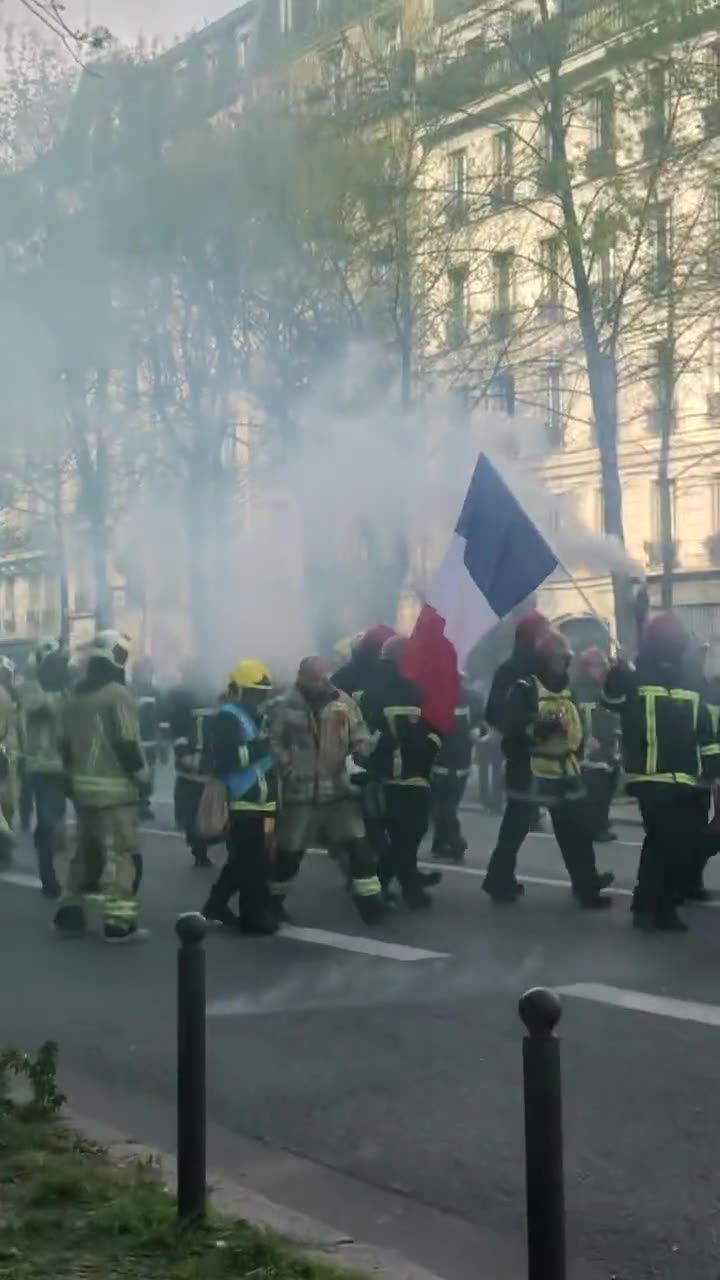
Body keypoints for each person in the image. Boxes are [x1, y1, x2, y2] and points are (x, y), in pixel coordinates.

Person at [604, 612, 720, 932]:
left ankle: (652, 904)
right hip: (649, 775)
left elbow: (705, 731)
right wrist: (616, 674)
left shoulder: (691, 680)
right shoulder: (635, 674)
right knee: (666, 840)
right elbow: (611, 701)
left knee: (669, 843)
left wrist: (713, 768)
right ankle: (657, 907)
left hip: (685, 776)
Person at [483, 629, 614, 908]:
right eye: (559, 659)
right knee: (514, 832)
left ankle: (587, 885)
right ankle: (499, 879)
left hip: (565, 771)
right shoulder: (525, 688)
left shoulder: (569, 690)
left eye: (566, 659)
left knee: (575, 833)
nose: (565, 664)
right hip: (531, 772)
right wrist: (541, 729)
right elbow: (513, 730)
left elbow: (578, 723)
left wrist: (579, 748)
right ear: (544, 660)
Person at [267, 656, 383, 925]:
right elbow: (272, 742)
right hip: (300, 795)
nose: (320, 683)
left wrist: (359, 756)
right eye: (314, 678)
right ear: (301, 677)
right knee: (289, 854)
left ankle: (372, 909)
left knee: (359, 851)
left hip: (340, 793)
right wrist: (288, 769)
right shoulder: (282, 705)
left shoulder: (342, 703)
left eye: (323, 677)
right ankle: (272, 905)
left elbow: (360, 735)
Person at [54, 631, 150, 943]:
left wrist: (71, 783)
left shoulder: (72, 696)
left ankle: (69, 908)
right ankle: (118, 922)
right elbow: (126, 741)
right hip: (115, 793)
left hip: (82, 791)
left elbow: (64, 747)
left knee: (86, 852)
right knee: (122, 854)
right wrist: (142, 777)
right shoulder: (116, 694)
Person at [364, 636, 443, 909]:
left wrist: (429, 745)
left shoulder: (401, 687)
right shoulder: (387, 690)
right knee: (407, 834)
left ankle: (409, 889)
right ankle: (376, 887)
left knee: (406, 835)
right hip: (397, 774)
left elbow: (433, 726)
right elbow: (369, 732)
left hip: (408, 772)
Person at [201, 659, 278, 935]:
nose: (259, 699)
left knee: (248, 860)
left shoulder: (253, 717)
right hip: (243, 802)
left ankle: (215, 906)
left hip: (264, 803)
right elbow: (226, 759)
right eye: (254, 693)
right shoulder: (226, 718)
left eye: (262, 693)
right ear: (236, 690)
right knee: (253, 863)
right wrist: (260, 747)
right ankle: (253, 916)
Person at [482, 612, 551, 902]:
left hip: (551, 754)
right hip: (527, 755)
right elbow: (494, 713)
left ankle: (587, 880)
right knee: (519, 817)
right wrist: (527, 727)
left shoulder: (548, 668)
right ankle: (499, 877)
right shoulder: (514, 671)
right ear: (534, 637)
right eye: (545, 633)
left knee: (530, 817)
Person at [22, 646, 70, 898]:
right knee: (48, 823)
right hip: (43, 767)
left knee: (59, 823)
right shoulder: (33, 690)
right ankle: (48, 876)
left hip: (64, 767)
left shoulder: (64, 692)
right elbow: (39, 706)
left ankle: (57, 871)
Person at [166, 660, 217, 868]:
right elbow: (176, 729)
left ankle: (203, 844)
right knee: (191, 811)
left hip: (209, 764)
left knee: (207, 811)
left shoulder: (214, 695)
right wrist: (184, 754)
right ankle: (199, 850)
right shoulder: (180, 697)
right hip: (191, 767)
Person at [430, 680, 484, 861]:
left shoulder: (433, 697)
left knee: (443, 806)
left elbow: (481, 726)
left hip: (447, 761)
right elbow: (480, 728)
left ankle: (455, 842)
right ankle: (439, 844)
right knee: (445, 805)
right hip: (456, 760)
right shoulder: (472, 698)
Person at [572, 647, 619, 843]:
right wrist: (585, 738)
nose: (604, 668)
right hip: (591, 753)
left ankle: (600, 823)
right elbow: (573, 717)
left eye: (605, 664)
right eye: (600, 665)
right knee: (596, 793)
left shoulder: (604, 688)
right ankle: (596, 828)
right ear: (587, 667)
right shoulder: (580, 691)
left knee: (606, 790)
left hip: (608, 750)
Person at [130, 657, 161, 821]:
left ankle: (143, 804)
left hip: (150, 742)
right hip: (132, 740)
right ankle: (133, 803)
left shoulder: (155, 692)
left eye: (148, 671)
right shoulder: (127, 689)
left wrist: (162, 743)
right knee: (133, 773)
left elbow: (161, 719)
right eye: (143, 671)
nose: (146, 675)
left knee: (148, 775)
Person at [0, 657, 19, 868]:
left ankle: (3, 853)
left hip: (3, 755)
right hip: (8, 755)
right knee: (6, 806)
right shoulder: (7, 694)